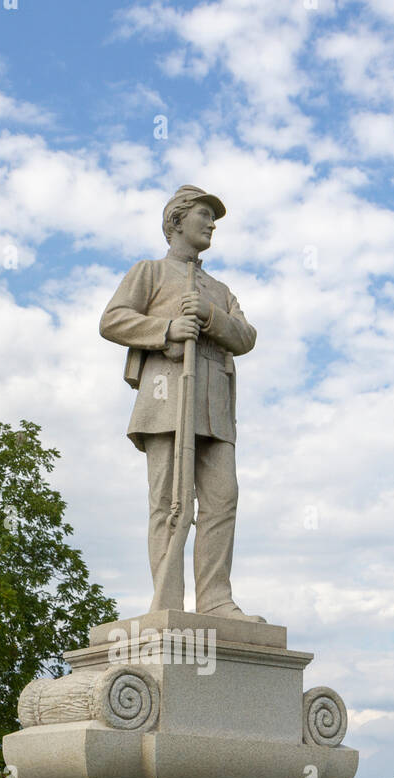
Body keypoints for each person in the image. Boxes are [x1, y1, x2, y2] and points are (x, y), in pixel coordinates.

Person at [100, 185, 264, 620]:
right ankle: (168, 600)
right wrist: (169, 328)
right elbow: (113, 319)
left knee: (222, 500)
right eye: (204, 215)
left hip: (215, 407)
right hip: (167, 399)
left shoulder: (220, 290)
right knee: (171, 503)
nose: (212, 224)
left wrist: (210, 317)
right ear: (177, 220)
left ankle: (215, 599)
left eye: (213, 217)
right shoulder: (149, 272)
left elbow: (245, 337)